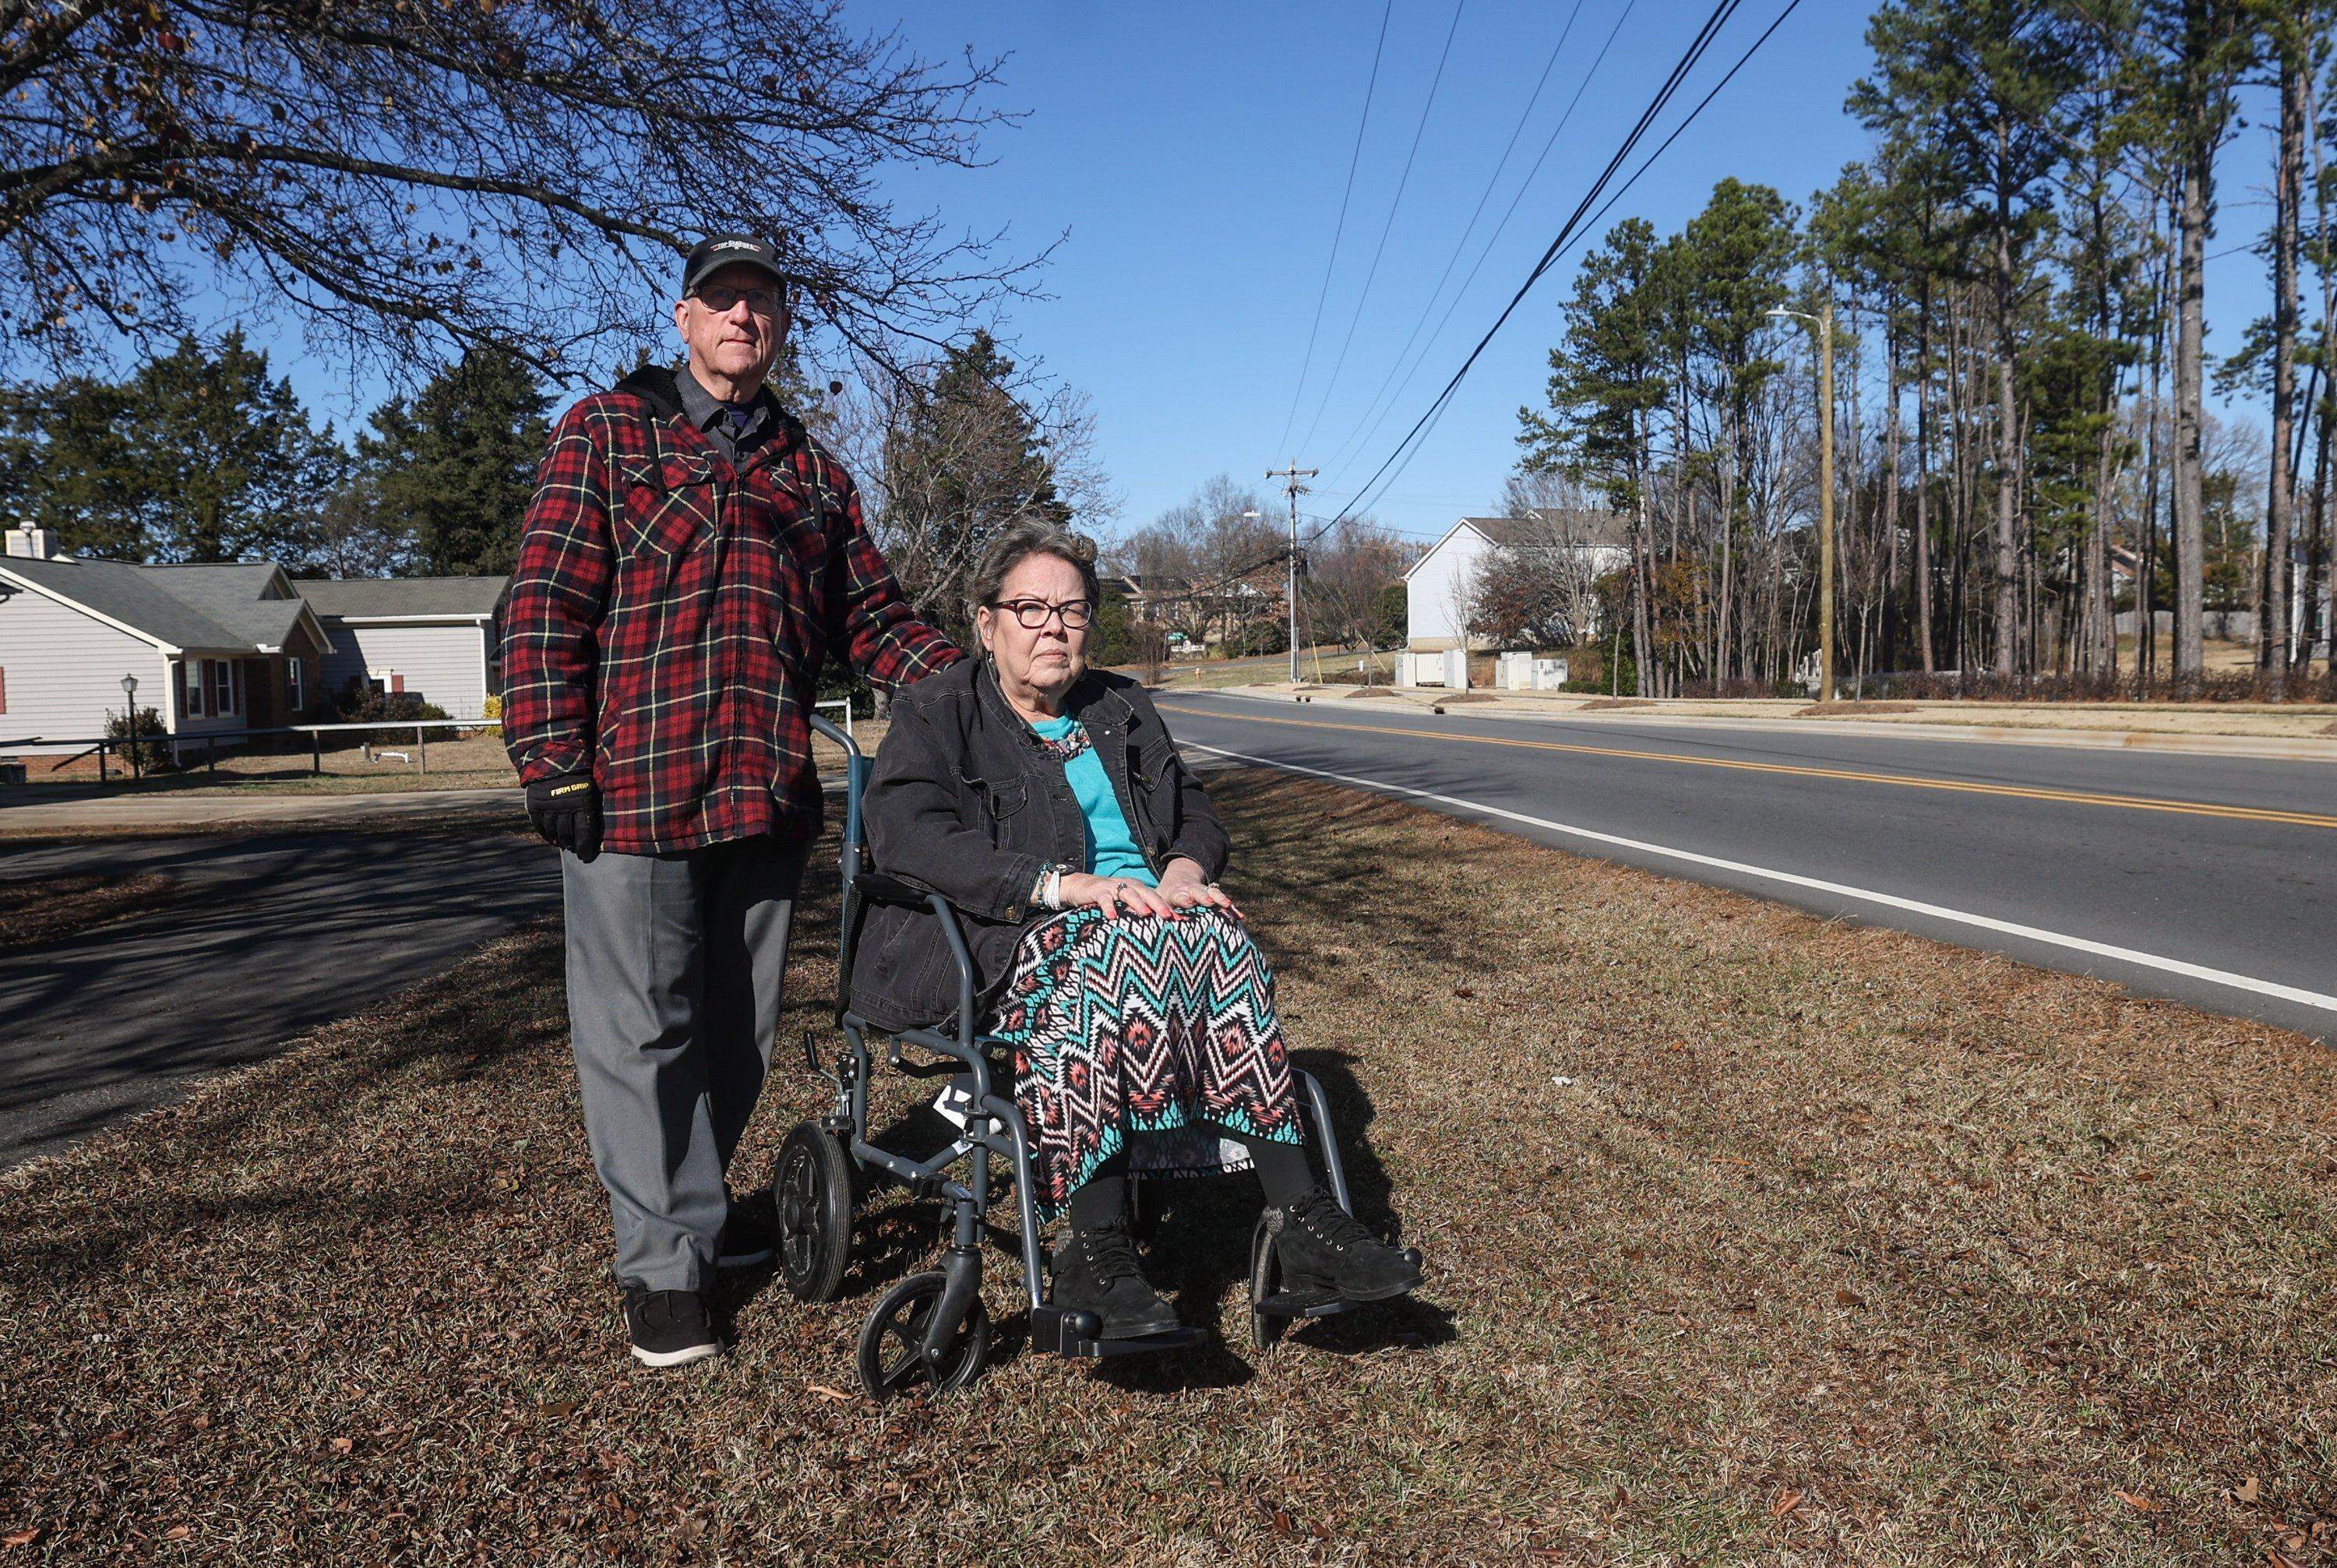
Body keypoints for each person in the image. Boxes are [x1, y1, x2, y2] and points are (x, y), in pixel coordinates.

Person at [501, 233, 961, 1369]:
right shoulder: (606, 432)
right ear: (683, 316)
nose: (741, 317)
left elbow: (876, 622)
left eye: (761, 301)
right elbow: (544, 600)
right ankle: (663, 1273)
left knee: (737, 1033)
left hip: (762, 793)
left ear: (780, 324)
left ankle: (696, 1209)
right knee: (640, 1030)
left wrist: (986, 686)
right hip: (630, 793)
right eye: (722, 300)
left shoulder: (813, 474)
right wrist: (550, 756)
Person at [848, 519, 1422, 1339]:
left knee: (1224, 938)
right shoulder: (941, 709)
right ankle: (1098, 1247)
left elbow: (1192, 809)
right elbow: (906, 832)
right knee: (1112, 957)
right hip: (1000, 935)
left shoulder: (1119, 703)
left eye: (1073, 611)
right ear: (987, 621)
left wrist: (1185, 874)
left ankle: (1305, 1224)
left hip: (1147, 920)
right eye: (1031, 608)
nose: (1054, 627)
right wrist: (1065, 887)